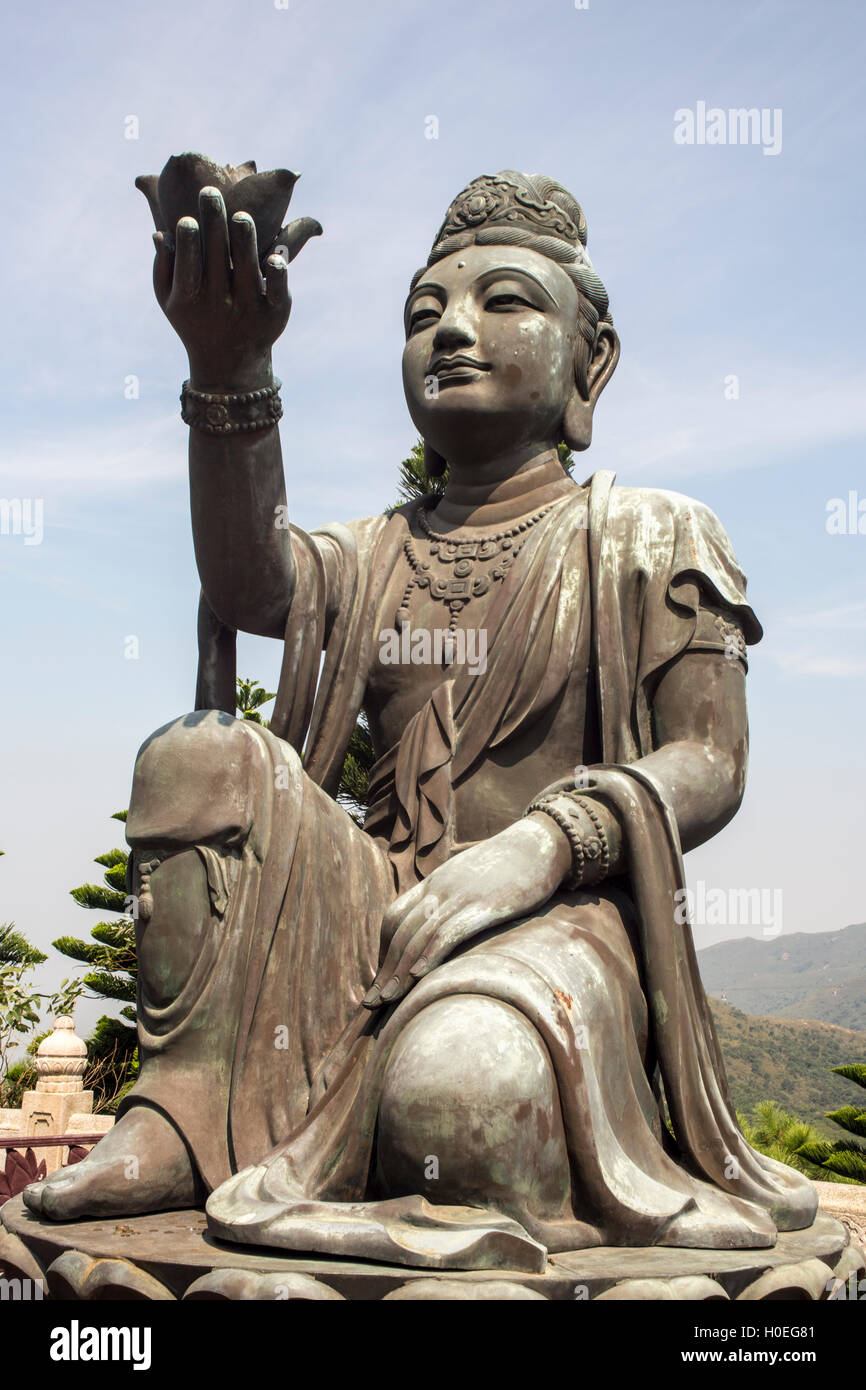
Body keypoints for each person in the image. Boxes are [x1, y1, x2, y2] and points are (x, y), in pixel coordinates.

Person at [26, 168, 816, 1269]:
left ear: (590, 364)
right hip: (373, 910)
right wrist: (227, 369)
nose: (450, 329)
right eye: (421, 312)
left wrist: (542, 849)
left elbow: (710, 761)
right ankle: (180, 1109)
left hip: (556, 925)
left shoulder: (655, 533)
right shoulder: (370, 554)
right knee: (199, 755)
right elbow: (253, 583)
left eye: (503, 301)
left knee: (458, 1097)